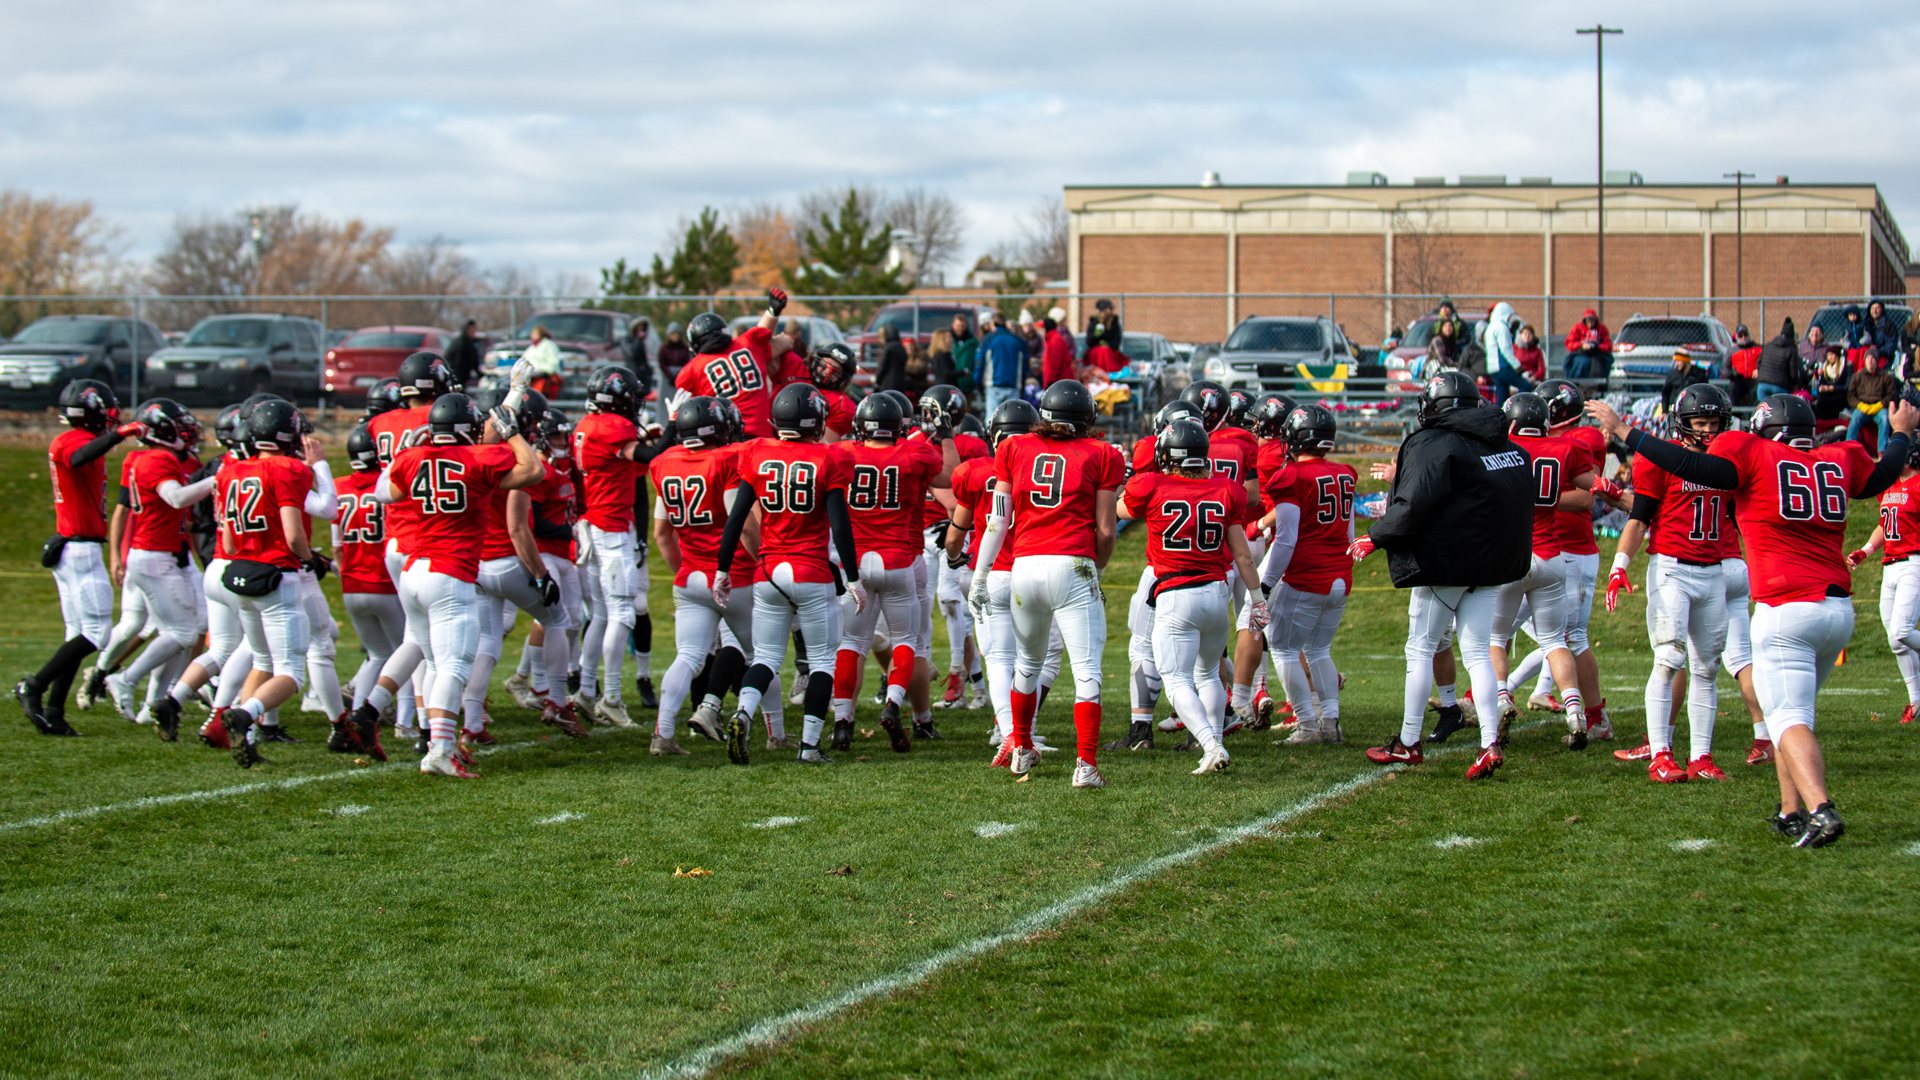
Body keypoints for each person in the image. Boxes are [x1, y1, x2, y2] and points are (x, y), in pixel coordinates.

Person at [1587, 391, 1919, 847]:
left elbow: (1693, 467)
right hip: (1838, 610)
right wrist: (1901, 433)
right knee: (1793, 715)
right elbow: (1882, 474)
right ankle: (1789, 810)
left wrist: (1627, 433)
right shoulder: (1839, 457)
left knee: (1786, 718)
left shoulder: (1752, 453)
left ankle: (1821, 809)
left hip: (1786, 607)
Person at [1357, 370, 1534, 781]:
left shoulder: (1436, 443)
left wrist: (1375, 537)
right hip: (1492, 565)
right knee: (1477, 652)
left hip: (1448, 563)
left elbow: (1414, 502)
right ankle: (1489, 742)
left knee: (1419, 649)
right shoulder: (1508, 445)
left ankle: (1408, 742)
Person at [968, 379, 1125, 788]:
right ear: (1087, 418)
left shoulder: (1013, 448)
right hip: (1073, 564)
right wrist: (1099, 568)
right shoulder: (1103, 454)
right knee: (1087, 670)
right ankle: (1085, 766)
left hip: (1023, 566)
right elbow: (1106, 531)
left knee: (1027, 663)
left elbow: (997, 521)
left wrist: (981, 575)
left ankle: (1021, 748)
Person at [380, 392, 546, 777]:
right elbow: (533, 470)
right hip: (449, 574)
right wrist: (512, 433)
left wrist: (400, 457)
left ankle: (441, 743)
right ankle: (439, 750)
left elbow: (382, 493)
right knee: (454, 665)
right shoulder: (478, 458)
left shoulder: (411, 459)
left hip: (412, 572)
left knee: (436, 663)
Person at [713, 382, 864, 765]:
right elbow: (839, 522)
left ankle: (743, 713)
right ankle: (810, 746)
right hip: (810, 569)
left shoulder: (757, 452)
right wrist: (852, 576)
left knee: (764, 657)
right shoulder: (829, 456)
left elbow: (736, 518)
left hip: (767, 571)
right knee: (821, 662)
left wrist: (722, 569)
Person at [1602, 384, 1738, 782]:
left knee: (1707, 668)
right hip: (1672, 568)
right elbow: (1640, 516)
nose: (1710, 430)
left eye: (1715, 422)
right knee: (1668, 658)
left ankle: (1702, 757)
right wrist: (1619, 566)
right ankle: (1661, 754)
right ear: (1683, 424)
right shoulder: (1662, 460)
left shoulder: (1728, 462)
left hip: (1713, 569)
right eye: (1701, 422)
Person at [1119, 418, 1266, 774]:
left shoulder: (1152, 484)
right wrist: (1258, 600)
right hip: (1216, 594)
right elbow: (1243, 555)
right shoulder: (1228, 489)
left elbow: (1121, 508)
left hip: (1175, 593)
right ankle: (1213, 738)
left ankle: (1212, 745)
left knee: (1177, 679)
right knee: (1208, 675)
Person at [830, 393, 958, 749]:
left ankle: (842, 721)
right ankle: (893, 704)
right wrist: (944, 435)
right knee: (908, 641)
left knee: (851, 643)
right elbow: (951, 475)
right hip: (901, 560)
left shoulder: (843, 454)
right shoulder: (914, 452)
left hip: (856, 564)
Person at [216, 399, 330, 769]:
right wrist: (310, 559)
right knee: (292, 673)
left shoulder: (231, 469)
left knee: (261, 658)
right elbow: (295, 535)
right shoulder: (288, 469)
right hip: (277, 576)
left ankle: (244, 733)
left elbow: (230, 542)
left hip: (240, 573)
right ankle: (245, 714)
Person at [1488, 392, 1597, 748]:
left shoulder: (1500, 447)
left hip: (1512, 556)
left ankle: (1502, 699)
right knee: (1554, 641)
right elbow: (1592, 488)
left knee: (1494, 639)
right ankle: (1575, 712)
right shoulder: (1565, 448)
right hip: (1552, 556)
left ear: (1512, 422)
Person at [100, 400, 215, 736]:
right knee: (179, 632)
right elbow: (177, 499)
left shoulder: (142, 457)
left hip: (161, 553)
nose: (182, 431)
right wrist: (217, 479)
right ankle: (124, 678)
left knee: (189, 629)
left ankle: (154, 703)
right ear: (162, 430)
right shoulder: (157, 458)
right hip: (153, 555)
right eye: (176, 425)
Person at [1259, 404, 1357, 745]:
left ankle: (1308, 726)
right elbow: (1349, 534)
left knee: (1284, 649)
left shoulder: (1292, 476)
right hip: (1340, 574)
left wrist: (1267, 584)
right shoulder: (1345, 472)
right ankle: (1330, 722)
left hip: (1308, 574)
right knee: (1319, 650)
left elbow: (1286, 540)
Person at [568, 366, 653, 727]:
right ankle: (612, 697)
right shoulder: (615, 427)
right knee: (623, 615)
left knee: (602, 615)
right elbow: (649, 457)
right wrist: (678, 428)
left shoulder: (588, 424)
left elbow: (630, 463)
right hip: (612, 528)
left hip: (594, 525)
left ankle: (587, 692)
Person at [1849, 439, 1920, 724]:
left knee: (1902, 631)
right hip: (1890, 566)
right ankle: (1916, 702)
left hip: (1913, 562)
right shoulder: (1889, 486)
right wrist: (1865, 550)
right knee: (1895, 640)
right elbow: (1884, 522)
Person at [675, 289, 803, 440]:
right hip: (762, 436)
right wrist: (772, 311)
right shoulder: (747, 344)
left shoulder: (691, 369)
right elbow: (770, 334)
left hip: (724, 440)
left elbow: (688, 414)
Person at [977, 313, 1029, 418]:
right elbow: (1024, 364)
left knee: (992, 416)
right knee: (1011, 416)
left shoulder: (989, 339)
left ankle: (990, 434)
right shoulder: (1018, 340)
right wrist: (1022, 383)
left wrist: (977, 380)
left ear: (993, 323)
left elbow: (980, 360)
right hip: (1013, 383)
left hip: (993, 383)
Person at [1847, 347, 1898, 452]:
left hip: (1879, 408)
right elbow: (1850, 396)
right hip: (1862, 407)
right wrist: (1860, 405)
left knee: (1885, 418)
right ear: (1864, 360)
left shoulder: (1886, 377)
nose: (1870, 361)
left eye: (1873, 358)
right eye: (1868, 358)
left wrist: (1880, 405)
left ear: (1877, 361)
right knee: (1855, 418)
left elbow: (1891, 395)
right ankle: (1849, 448)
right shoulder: (1857, 376)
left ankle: (1882, 451)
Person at [1484, 302, 1533, 403]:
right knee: (1526, 386)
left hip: (1493, 368)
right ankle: (1515, 405)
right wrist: (1517, 366)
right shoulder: (1502, 328)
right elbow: (1505, 350)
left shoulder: (1490, 327)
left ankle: (1498, 416)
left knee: (1502, 397)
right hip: (1503, 367)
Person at [1755, 317, 1800, 399]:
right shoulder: (1791, 350)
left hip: (1762, 385)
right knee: (1779, 410)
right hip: (1780, 386)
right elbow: (1793, 374)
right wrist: (1793, 385)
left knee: (1764, 409)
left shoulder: (1768, 345)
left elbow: (1759, 364)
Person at [1563, 309, 1613, 381]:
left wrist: (1598, 347)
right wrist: (1581, 345)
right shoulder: (1577, 328)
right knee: (1582, 362)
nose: (1590, 324)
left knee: (1598, 364)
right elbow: (1569, 343)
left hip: (1597, 354)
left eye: (1592, 322)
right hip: (1580, 353)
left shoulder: (1602, 329)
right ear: (1585, 321)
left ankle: (1597, 387)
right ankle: (1578, 385)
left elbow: (1608, 345)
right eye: (1588, 322)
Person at [1810, 345, 1851, 421]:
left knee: (1831, 402)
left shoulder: (1846, 367)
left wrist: (1833, 388)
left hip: (1840, 395)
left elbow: (1847, 387)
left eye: (1832, 355)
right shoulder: (1826, 367)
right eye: (1828, 355)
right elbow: (1821, 383)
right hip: (1827, 394)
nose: (1830, 357)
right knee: (1820, 402)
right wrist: (1821, 388)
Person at [523, 324, 564, 400]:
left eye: (534, 333)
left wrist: (543, 371)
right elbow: (525, 359)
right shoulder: (532, 347)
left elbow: (553, 363)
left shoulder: (549, 345)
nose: (532, 335)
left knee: (540, 384)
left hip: (546, 375)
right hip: (532, 374)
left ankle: (535, 399)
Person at [1085, 299, 1124, 372]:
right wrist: (1096, 336)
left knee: (1105, 351)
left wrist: (1107, 344)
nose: (1110, 311)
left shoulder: (1114, 323)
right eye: (1108, 309)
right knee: (1099, 351)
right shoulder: (1094, 323)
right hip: (1096, 353)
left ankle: (1109, 372)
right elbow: (1089, 342)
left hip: (1110, 353)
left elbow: (1116, 342)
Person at [874, 323, 911, 395]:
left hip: (887, 382)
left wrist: (877, 380)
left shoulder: (888, 347)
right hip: (900, 380)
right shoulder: (900, 346)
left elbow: (883, 366)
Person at [1728, 324, 1761, 406]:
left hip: (1753, 380)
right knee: (1733, 389)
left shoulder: (1758, 349)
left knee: (1758, 389)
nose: (1743, 338)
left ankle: (1754, 414)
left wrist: (1759, 370)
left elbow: (1766, 363)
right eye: (1740, 336)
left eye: (1745, 335)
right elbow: (1724, 368)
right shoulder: (1732, 351)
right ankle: (1735, 415)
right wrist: (1732, 373)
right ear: (1737, 338)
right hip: (1739, 380)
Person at [445, 320, 483, 389]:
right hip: (457, 377)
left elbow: (474, 361)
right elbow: (458, 362)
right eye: (470, 328)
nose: (473, 331)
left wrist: (480, 374)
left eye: (474, 328)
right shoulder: (461, 343)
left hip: (463, 378)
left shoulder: (470, 343)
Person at [1039, 317, 1075, 386]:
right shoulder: (1050, 339)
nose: (1041, 330)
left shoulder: (1055, 340)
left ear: (1047, 328)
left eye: (1042, 328)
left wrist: (1050, 382)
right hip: (1058, 381)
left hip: (1060, 382)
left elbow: (1055, 364)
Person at [949, 313, 978, 394]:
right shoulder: (948, 341)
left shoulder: (972, 342)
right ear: (953, 325)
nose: (960, 328)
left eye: (962, 326)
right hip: (952, 381)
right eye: (958, 326)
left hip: (967, 382)